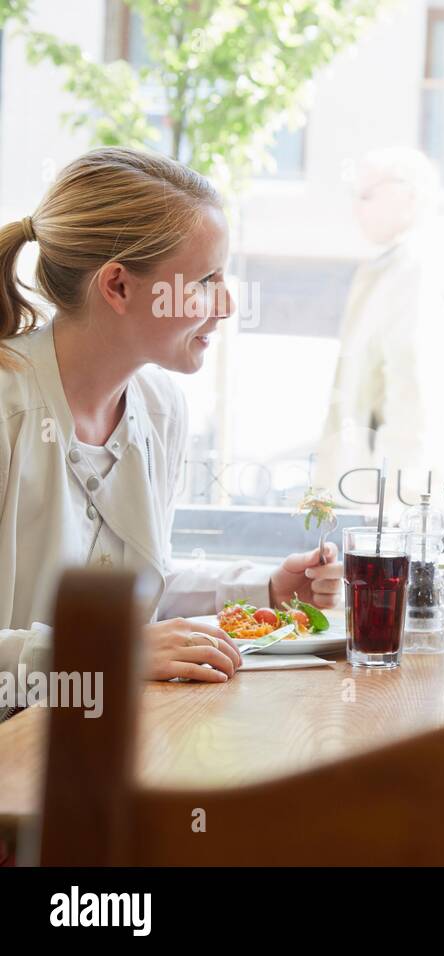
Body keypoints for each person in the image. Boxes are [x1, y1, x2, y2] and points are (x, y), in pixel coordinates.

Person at [0, 148, 343, 702]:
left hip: (101, 740)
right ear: (118, 287)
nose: (229, 304)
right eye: (207, 279)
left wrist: (268, 589)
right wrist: (108, 652)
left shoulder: (160, 408)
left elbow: (135, 588)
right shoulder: (7, 408)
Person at [315, 147, 444, 509]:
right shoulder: (442, 259)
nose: (356, 208)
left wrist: (397, 494)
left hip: (392, 499)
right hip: (415, 490)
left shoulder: (417, 268)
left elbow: (414, 383)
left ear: (407, 195)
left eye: (366, 196)